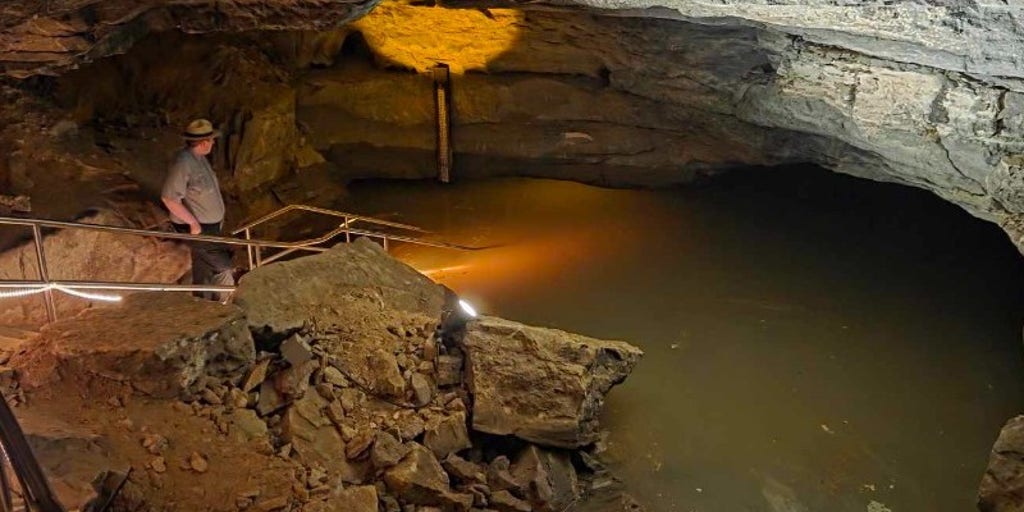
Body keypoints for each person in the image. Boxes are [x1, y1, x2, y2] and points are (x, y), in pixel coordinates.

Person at [161, 119, 234, 301]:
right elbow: (169, 197)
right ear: (203, 142)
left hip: (210, 225)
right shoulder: (184, 163)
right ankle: (229, 302)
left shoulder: (200, 159)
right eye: (211, 140)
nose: (213, 143)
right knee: (223, 265)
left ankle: (201, 301)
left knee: (202, 264)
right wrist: (193, 224)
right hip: (199, 228)